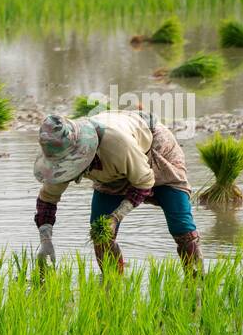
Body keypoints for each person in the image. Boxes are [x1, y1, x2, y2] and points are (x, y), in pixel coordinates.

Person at [32, 109, 202, 274]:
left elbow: (144, 182)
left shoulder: (117, 143)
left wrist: (116, 217)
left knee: (180, 224)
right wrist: (45, 241)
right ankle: (112, 284)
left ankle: (196, 280)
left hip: (153, 150)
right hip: (111, 172)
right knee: (100, 234)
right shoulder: (61, 155)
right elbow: (48, 198)